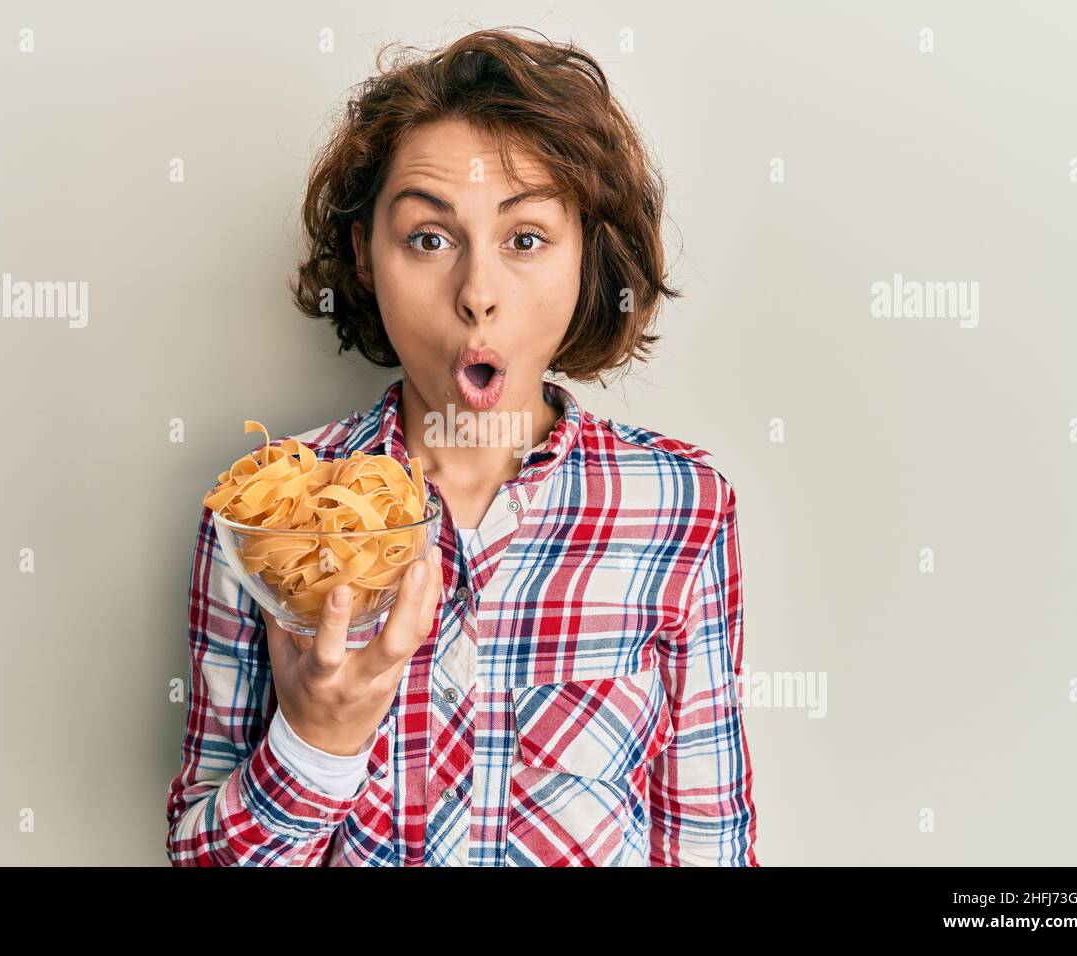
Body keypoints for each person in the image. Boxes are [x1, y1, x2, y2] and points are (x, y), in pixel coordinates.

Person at [165, 27, 757, 866]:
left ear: (589, 258)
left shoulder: (681, 506)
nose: (478, 295)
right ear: (366, 259)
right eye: (428, 239)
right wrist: (316, 738)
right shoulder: (264, 514)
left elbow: (707, 843)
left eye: (525, 239)